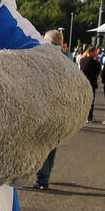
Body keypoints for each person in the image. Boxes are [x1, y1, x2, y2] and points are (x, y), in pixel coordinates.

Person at [32, 30, 71, 189]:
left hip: (43, 105)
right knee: (52, 143)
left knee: (40, 143)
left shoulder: (41, 55)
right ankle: (45, 176)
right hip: (61, 106)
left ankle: (43, 178)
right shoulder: (68, 57)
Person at [79, 46, 100, 120]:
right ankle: (89, 116)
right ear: (90, 52)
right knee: (91, 100)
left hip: (83, 82)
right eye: (95, 52)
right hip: (91, 82)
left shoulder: (82, 60)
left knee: (83, 100)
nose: (96, 54)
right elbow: (97, 72)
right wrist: (98, 62)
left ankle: (82, 115)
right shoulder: (94, 62)